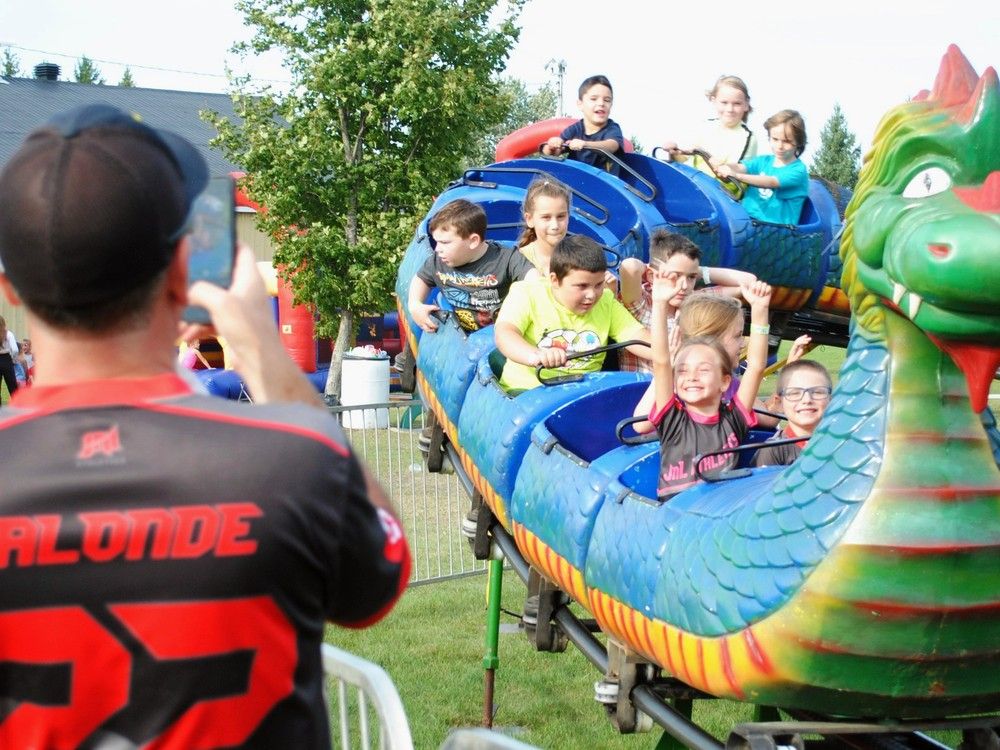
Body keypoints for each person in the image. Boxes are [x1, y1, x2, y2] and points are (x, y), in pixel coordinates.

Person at [0, 104, 409, 749]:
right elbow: (376, 588)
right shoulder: (293, 459)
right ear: (182, 272)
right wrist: (264, 354)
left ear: (10, 290)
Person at [645, 269, 773, 498]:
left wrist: (760, 311)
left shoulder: (734, 419)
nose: (692, 377)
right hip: (677, 512)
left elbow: (755, 366)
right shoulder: (671, 418)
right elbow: (661, 361)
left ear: (725, 382)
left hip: (717, 508)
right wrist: (659, 302)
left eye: (703, 370)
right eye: (683, 371)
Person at [494, 235, 651, 391]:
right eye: (582, 286)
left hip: (581, 394)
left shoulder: (606, 300)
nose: (592, 295)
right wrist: (537, 355)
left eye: (598, 285)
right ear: (555, 280)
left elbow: (640, 339)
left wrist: (672, 355)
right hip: (527, 392)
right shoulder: (527, 293)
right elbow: (505, 334)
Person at [618, 229, 756, 373]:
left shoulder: (695, 302)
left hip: (685, 388)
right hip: (642, 389)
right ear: (652, 276)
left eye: (691, 277)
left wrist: (698, 271)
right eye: (675, 276)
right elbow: (630, 267)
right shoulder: (643, 304)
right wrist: (656, 269)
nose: (684, 286)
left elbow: (749, 282)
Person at [408, 198, 536, 334]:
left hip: (501, 335)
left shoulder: (506, 258)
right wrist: (415, 305)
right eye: (437, 242)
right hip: (461, 339)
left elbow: (534, 280)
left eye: (445, 242)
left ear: (473, 241)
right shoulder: (438, 261)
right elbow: (421, 278)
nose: (438, 249)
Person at [662, 75, 757, 198]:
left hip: (727, 198)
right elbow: (681, 160)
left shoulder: (748, 137)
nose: (730, 109)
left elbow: (732, 178)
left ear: (746, 105)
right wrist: (673, 151)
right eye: (724, 102)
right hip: (699, 188)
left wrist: (705, 154)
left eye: (737, 104)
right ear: (713, 101)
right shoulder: (705, 126)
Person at [717, 109, 810, 225]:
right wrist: (723, 165)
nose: (779, 146)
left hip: (776, 230)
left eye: (787, 141)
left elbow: (771, 182)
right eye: (775, 139)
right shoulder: (763, 161)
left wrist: (736, 175)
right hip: (745, 220)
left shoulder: (798, 170)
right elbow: (740, 167)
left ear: (799, 142)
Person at [754, 358, 832, 467]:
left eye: (817, 392)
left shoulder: (842, 443)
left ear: (831, 399)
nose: (807, 400)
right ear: (780, 403)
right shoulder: (773, 450)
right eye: (795, 393)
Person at [542, 75, 625, 176]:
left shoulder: (612, 129)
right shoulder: (575, 129)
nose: (601, 103)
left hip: (604, 184)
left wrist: (585, 144)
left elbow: (612, 145)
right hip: (576, 183)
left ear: (611, 104)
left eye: (607, 100)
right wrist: (552, 146)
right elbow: (553, 152)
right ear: (580, 104)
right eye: (594, 99)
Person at [517, 176, 572, 275]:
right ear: (529, 219)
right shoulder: (518, 260)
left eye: (561, 216)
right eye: (546, 217)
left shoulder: (579, 256)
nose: (555, 225)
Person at [0, 315, 19, 401]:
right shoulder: (8, 334)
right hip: (6, 359)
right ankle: (18, 407)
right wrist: (13, 360)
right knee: (12, 386)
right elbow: (15, 350)